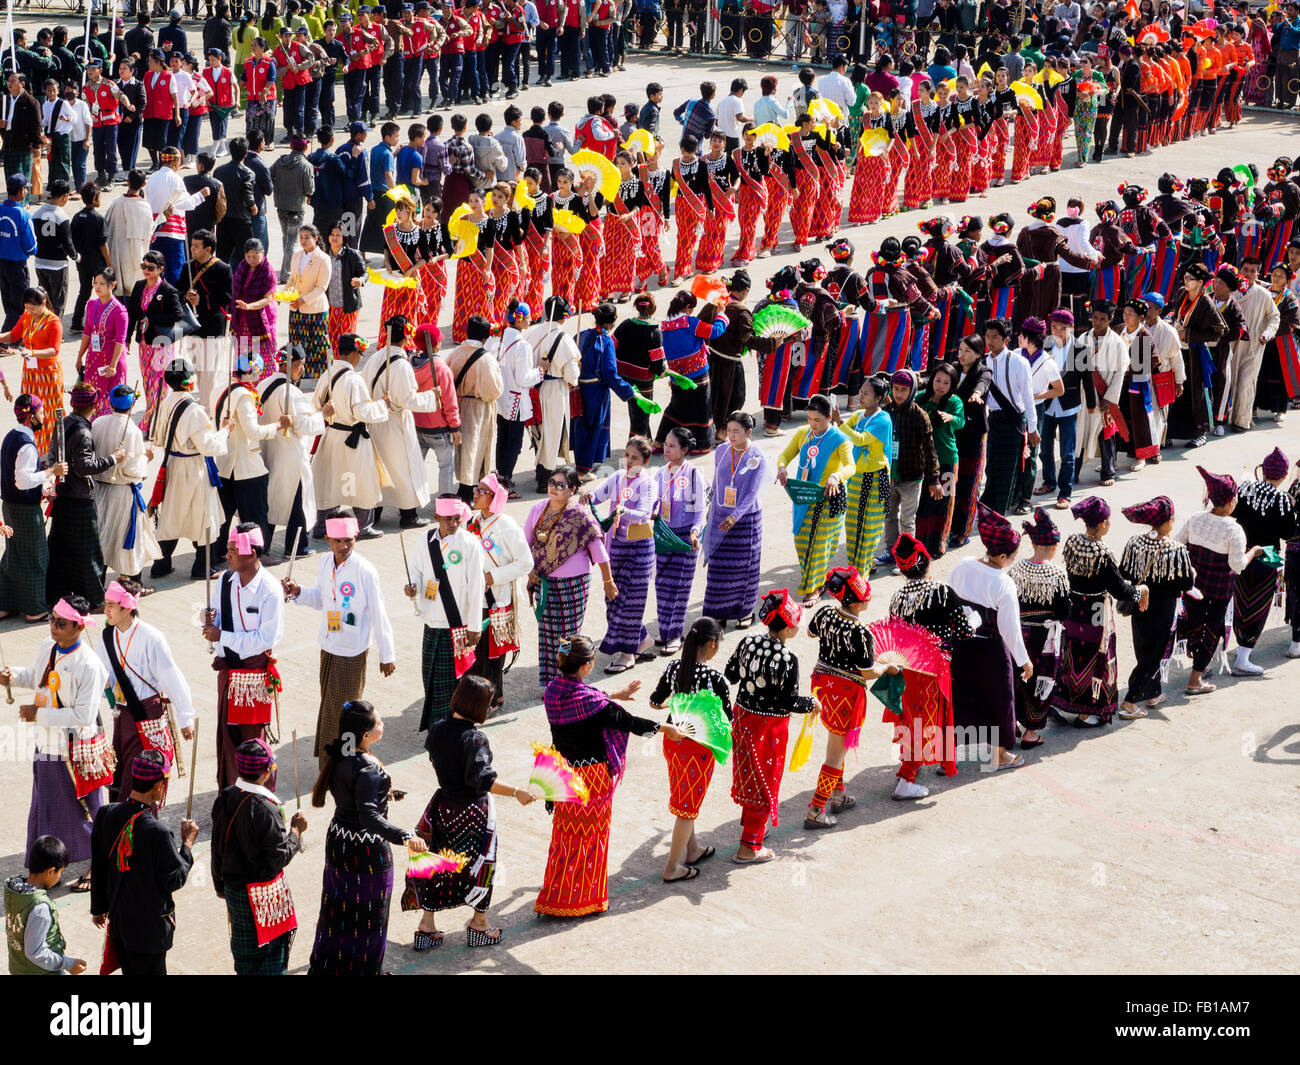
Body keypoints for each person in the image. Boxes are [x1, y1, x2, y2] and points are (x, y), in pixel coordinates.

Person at [536, 635, 680, 915]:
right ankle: (585, 900)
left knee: (565, 839)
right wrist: (666, 729)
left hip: (562, 776)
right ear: (587, 666)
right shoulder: (592, 704)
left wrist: (616, 694)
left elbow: (586, 697)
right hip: (591, 780)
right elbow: (629, 723)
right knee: (591, 839)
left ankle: (555, 898)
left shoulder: (554, 691)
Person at [401, 675, 535, 948]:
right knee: (482, 865)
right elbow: (482, 779)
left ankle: (427, 926)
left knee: (439, 862)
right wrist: (516, 791)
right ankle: (480, 923)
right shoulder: (475, 739)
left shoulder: (437, 729)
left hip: (442, 805)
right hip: (472, 813)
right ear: (480, 708)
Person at [308, 700, 427, 974]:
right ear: (366, 735)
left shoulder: (341, 753)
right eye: (380, 722)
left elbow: (354, 797)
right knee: (370, 919)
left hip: (339, 842)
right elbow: (369, 818)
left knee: (337, 911)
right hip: (366, 854)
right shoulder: (368, 767)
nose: (383, 725)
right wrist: (406, 836)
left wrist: (386, 793)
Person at [3, 597, 113, 883]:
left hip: (75, 752)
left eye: (60, 623)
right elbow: (37, 678)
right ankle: (46, 870)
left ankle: (99, 866)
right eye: (52, 619)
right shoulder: (47, 646)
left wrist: (38, 715)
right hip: (47, 746)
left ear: (78, 627)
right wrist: (12, 676)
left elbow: (83, 716)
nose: (53, 626)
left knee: (87, 814)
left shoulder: (90, 665)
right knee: (45, 811)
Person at [283, 509, 396, 763]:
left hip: (352, 650)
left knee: (347, 713)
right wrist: (298, 591)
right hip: (329, 645)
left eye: (349, 541)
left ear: (356, 537)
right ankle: (330, 760)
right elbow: (321, 599)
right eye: (338, 541)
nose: (344, 546)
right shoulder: (324, 564)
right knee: (330, 707)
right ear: (328, 541)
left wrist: (386, 653)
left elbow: (379, 613)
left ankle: (346, 761)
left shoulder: (365, 571)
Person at [724, 588, 815, 862]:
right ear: (787, 629)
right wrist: (811, 703)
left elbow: (730, 674)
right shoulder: (788, 660)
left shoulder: (747, 642)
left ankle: (754, 830)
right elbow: (789, 702)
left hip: (742, 719)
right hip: (769, 727)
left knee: (750, 775)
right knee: (765, 781)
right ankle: (749, 847)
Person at [88, 751, 198, 976]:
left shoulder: (106, 813)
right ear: (158, 785)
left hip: (120, 923)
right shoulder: (158, 832)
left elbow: (98, 866)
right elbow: (175, 879)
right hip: (150, 932)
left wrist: (99, 907)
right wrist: (187, 846)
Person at [805, 567, 898, 826]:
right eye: (866, 596)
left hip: (823, 686)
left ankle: (838, 794)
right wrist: (886, 666)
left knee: (837, 745)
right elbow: (868, 673)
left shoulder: (825, 612)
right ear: (858, 602)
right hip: (845, 694)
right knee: (835, 753)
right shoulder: (860, 631)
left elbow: (811, 633)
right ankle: (815, 809)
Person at [210, 737, 308, 975]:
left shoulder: (224, 798)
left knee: (245, 956)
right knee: (271, 954)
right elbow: (280, 857)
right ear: (267, 771)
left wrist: (219, 884)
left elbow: (216, 847)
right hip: (263, 895)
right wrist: (296, 832)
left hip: (235, 890)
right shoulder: (266, 809)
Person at [203, 523, 286, 791]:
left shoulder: (270, 590)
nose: (226, 556)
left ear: (251, 554)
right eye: (227, 550)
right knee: (227, 737)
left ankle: (260, 795)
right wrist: (205, 620)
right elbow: (213, 615)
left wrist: (222, 637)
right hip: (229, 673)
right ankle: (229, 791)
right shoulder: (226, 581)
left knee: (253, 740)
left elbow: (266, 639)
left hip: (253, 675)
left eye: (232, 551)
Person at [947, 505, 1030, 770]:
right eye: (1014, 556)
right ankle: (1000, 755)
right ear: (1004, 555)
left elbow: (950, 600)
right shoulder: (1003, 583)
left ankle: (947, 757)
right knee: (999, 700)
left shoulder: (963, 565)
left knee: (959, 696)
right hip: (991, 651)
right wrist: (1024, 661)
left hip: (959, 644)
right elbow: (1009, 629)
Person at [1052, 496, 1146, 728]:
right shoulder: (1102, 554)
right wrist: (1141, 591)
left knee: (1073, 654)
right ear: (1103, 523)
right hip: (1096, 613)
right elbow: (1120, 590)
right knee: (1097, 659)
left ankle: (1067, 700)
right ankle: (1089, 711)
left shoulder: (1073, 542)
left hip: (1073, 609)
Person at [648, 617, 730, 882]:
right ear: (712, 644)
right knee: (686, 807)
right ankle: (672, 867)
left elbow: (654, 702)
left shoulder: (673, 667)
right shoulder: (716, 679)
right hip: (698, 748)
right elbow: (727, 718)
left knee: (685, 800)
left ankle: (692, 850)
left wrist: (673, 705)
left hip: (673, 742)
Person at [525, 464, 616, 685]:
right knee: (547, 632)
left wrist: (608, 581)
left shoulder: (580, 516)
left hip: (573, 585)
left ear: (573, 489)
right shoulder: (538, 509)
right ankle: (549, 680)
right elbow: (525, 544)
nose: (554, 488)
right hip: (544, 582)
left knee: (567, 634)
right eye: (551, 483)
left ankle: (565, 677)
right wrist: (530, 572)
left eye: (560, 485)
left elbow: (600, 553)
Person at [405, 495, 485, 730]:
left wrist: (474, 626)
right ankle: (435, 727)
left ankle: (451, 727)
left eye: (457, 519)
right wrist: (412, 587)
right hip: (431, 621)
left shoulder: (470, 543)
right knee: (429, 676)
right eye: (447, 519)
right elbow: (416, 572)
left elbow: (476, 587)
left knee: (453, 682)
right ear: (436, 517)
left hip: (458, 626)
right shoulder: (424, 540)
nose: (453, 523)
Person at [148, 358, 228, 581]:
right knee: (205, 516)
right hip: (194, 467)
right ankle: (203, 567)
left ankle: (161, 564)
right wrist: (226, 431)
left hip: (173, 462)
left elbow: (159, 436)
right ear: (188, 382)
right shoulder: (194, 410)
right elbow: (209, 445)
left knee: (171, 516)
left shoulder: (165, 402)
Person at [1117, 496, 1196, 718]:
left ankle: (1153, 693)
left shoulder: (1134, 543)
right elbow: (1186, 584)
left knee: (1144, 650)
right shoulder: (1176, 549)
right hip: (1163, 609)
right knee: (1154, 654)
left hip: (1139, 605)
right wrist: (1192, 573)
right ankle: (1130, 702)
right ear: (1169, 521)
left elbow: (1124, 573)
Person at [45, 382, 120, 610]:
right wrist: (113, 458)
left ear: (71, 403)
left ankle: (56, 593)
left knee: (61, 549)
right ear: (95, 404)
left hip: (63, 498)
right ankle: (95, 598)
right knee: (89, 553)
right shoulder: (84, 433)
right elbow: (84, 467)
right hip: (79, 501)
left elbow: (51, 457)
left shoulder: (64, 423)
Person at [775, 393, 852, 608]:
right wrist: (781, 466)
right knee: (801, 540)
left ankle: (814, 587)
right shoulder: (803, 434)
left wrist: (837, 476)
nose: (813, 424)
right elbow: (785, 455)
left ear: (829, 417)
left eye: (817, 420)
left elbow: (850, 466)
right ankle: (815, 579)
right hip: (804, 497)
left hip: (828, 498)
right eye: (809, 419)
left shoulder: (840, 439)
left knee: (819, 544)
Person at [360, 315, 438, 528]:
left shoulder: (375, 358)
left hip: (377, 421)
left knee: (380, 467)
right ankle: (408, 514)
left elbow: (364, 387)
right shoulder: (402, 366)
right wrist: (432, 396)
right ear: (406, 337)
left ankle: (374, 512)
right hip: (395, 422)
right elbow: (408, 399)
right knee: (403, 468)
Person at [311, 332, 389, 537]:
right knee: (362, 480)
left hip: (332, 435)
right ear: (355, 353)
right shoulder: (354, 380)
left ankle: (322, 526)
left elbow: (316, 404)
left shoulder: (327, 373)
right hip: (352, 439)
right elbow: (362, 413)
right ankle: (362, 526)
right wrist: (383, 405)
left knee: (330, 481)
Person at [1007, 508, 1072, 748]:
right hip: (1045, 638)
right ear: (1054, 548)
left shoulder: (1015, 570)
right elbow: (1064, 611)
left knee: (1016, 677)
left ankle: (1011, 720)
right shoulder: (1057, 575)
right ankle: (1031, 732)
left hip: (1017, 635)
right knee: (1042, 680)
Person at [1230, 448, 1298, 676]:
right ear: (1283, 475)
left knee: (1238, 601)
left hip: (1240, 551)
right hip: (1269, 554)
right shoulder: (1283, 500)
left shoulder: (1246, 489)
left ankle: (1239, 648)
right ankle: (1243, 657)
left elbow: (1234, 514)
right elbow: (1288, 535)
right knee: (1258, 606)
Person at [466, 474, 530, 707]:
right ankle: (486, 695)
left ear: (495, 497)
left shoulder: (507, 526)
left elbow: (526, 562)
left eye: (483, 491)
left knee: (491, 653)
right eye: (477, 489)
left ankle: (491, 697)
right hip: (473, 598)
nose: (476, 493)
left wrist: (492, 577)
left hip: (497, 598)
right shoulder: (471, 522)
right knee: (475, 650)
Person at [0, 396, 65, 623]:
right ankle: (35, 608)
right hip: (25, 510)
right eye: (40, 413)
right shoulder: (27, 444)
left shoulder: (12, 436)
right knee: (37, 557)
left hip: (9, 506)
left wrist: (41, 468)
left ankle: (5, 605)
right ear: (30, 417)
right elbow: (23, 481)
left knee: (14, 555)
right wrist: (51, 472)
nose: (44, 417)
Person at [701, 410, 768, 628]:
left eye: (736, 432)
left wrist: (735, 516)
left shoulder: (756, 457)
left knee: (744, 567)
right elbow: (717, 480)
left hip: (745, 520)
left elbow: (752, 492)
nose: (731, 436)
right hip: (721, 513)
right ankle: (717, 611)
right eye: (729, 430)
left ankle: (744, 611)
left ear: (749, 432)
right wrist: (711, 504)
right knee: (718, 567)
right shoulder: (721, 450)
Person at [258, 345, 323, 558]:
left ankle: (263, 547)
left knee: (270, 501)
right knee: (297, 504)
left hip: (267, 449)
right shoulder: (290, 392)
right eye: (299, 365)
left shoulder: (263, 384)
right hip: (289, 455)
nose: (302, 370)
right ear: (286, 365)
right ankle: (296, 547)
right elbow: (304, 426)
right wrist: (324, 414)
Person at [879, 370, 943, 570]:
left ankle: (907, 556)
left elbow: (930, 450)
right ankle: (891, 551)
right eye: (896, 389)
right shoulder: (886, 412)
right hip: (889, 476)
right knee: (889, 516)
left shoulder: (919, 415)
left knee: (907, 520)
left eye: (904, 390)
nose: (899, 394)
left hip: (911, 478)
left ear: (912, 390)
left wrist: (934, 479)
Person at [651, 427, 707, 654]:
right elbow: (653, 500)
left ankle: (675, 635)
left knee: (679, 587)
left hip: (685, 537)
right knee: (662, 584)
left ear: (684, 450)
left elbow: (699, 509)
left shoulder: (693, 474)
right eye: (665, 444)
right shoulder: (660, 473)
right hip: (663, 535)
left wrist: (694, 531)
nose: (666, 449)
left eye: (672, 446)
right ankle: (665, 631)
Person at [5, 835, 86, 975]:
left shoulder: (14, 890)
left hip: (18, 967)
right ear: (50, 871)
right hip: (40, 971)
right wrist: (68, 963)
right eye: (60, 872)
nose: (60, 877)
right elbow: (35, 952)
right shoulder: (40, 908)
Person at [523, 295, 581, 488]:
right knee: (552, 432)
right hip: (555, 390)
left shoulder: (531, 333)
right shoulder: (564, 340)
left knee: (539, 430)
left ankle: (541, 469)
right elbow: (572, 376)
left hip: (533, 387)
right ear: (563, 317)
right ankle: (545, 476)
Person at [837, 375, 893, 574]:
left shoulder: (883, 419)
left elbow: (860, 440)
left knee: (869, 525)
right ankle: (858, 566)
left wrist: (840, 424)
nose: (861, 396)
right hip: (857, 476)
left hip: (875, 478)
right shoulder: (860, 415)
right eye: (860, 391)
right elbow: (844, 434)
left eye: (866, 393)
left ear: (878, 398)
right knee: (852, 522)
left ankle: (862, 570)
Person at [446, 314, 504, 497]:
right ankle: (468, 489)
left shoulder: (454, 354)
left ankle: (464, 486)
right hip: (478, 407)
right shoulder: (486, 359)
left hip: (458, 405)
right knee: (475, 448)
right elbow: (494, 390)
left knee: (463, 449)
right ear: (485, 337)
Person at [0, 288, 64, 455]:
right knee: (30, 410)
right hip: (31, 373)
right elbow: (14, 335)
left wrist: (32, 352)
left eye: (33, 308)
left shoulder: (53, 321)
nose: (30, 312)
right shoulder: (27, 316)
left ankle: (54, 450)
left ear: (43, 303)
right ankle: (34, 446)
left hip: (48, 374)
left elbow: (54, 350)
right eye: (27, 308)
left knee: (49, 412)